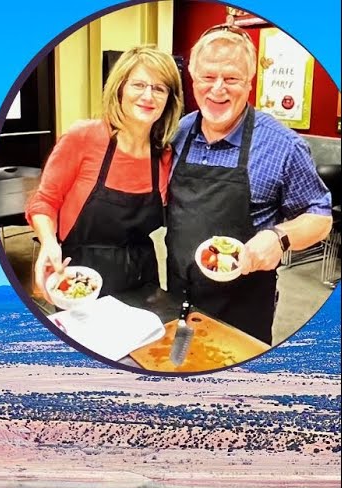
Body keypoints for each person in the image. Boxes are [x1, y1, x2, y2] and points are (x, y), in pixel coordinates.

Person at [167, 25, 333, 344]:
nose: (217, 89)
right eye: (207, 77)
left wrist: (279, 237)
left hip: (243, 310)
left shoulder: (283, 145)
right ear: (193, 78)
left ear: (249, 82)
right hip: (178, 298)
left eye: (231, 79)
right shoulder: (179, 133)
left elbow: (321, 215)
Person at [28, 45, 183, 298]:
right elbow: (45, 200)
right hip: (80, 280)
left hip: (142, 282)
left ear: (169, 100)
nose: (148, 96)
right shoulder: (83, 137)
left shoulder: (164, 156)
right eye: (139, 85)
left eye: (159, 88)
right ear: (120, 88)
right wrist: (48, 243)